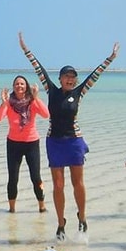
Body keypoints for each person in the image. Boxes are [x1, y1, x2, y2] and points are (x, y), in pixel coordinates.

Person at [19, 31, 118, 240]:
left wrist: (110, 58)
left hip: (74, 141)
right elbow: (39, 69)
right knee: (58, 185)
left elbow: (95, 75)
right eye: (67, 76)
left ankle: (82, 216)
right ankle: (61, 222)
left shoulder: (79, 93)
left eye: (73, 77)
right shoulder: (51, 91)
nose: (70, 80)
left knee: (78, 183)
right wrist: (26, 50)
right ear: (60, 78)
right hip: (54, 141)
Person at [0, 75, 50, 213]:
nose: (19, 86)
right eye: (17, 84)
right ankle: (12, 209)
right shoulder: (9, 103)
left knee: (35, 177)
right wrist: (3, 102)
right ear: (13, 87)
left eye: (22, 84)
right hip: (13, 144)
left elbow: (46, 114)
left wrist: (36, 98)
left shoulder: (32, 102)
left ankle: (42, 206)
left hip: (31, 143)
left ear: (27, 87)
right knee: (13, 178)